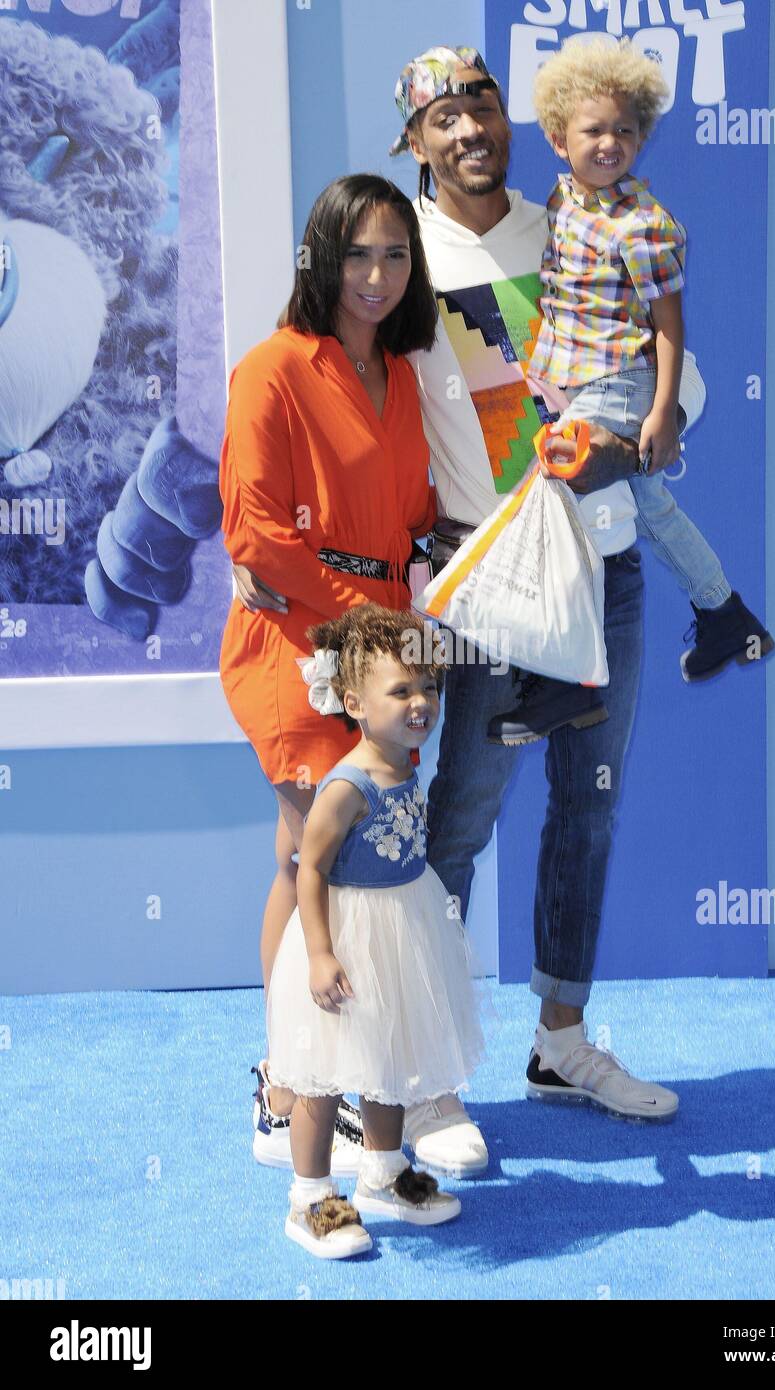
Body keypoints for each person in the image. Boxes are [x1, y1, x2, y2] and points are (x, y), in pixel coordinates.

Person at [236, 46, 682, 1179]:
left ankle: (562, 1039)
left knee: (588, 809)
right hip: (479, 592)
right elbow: (329, 425)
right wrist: (272, 556)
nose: (469, 126)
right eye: (443, 114)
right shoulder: (391, 267)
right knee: (450, 829)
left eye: (481, 103)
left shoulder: (583, 225)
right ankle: (420, 1079)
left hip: (606, 567)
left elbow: (660, 384)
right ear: (416, 141)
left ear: (509, 115)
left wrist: (641, 436)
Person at [218, 174, 439, 1173]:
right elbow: (255, 533)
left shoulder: (402, 370)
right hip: (297, 648)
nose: (377, 276)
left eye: (395, 255)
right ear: (319, 259)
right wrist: (364, 624)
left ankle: (302, 1082)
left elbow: (414, 514)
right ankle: (287, 1093)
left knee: (305, 858)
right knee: (323, 860)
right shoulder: (272, 366)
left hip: (377, 655)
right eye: (357, 254)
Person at [524, 35, 772, 713]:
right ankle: (724, 614)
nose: (609, 144)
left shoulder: (645, 225)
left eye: (624, 132)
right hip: (575, 385)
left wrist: (661, 412)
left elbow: (668, 324)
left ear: (641, 139)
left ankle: (570, 675)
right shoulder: (561, 201)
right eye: (592, 130)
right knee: (650, 509)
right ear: (556, 138)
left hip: (621, 385)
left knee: (559, 508)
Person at [265, 602, 484, 1258]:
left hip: (402, 932)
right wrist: (321, 954)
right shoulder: (345, 786)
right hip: (348, 940)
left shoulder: (405, 763)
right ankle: (310, 1198)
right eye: (402, 691)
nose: (421, 703)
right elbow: (311, 872)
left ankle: (384, 1174)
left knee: (389, 1062)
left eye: (429, 688)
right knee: (323, 1076)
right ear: (355, 701)